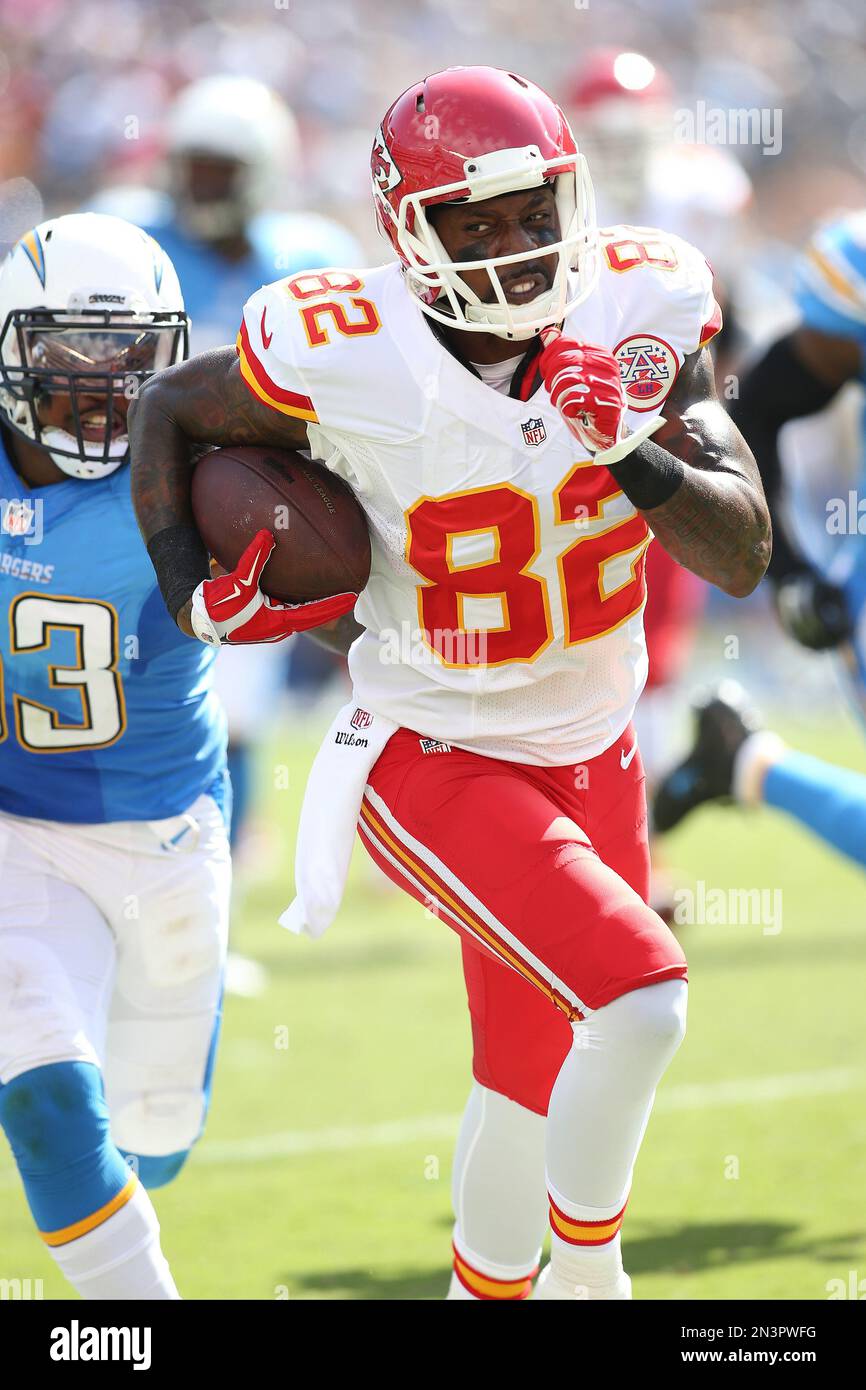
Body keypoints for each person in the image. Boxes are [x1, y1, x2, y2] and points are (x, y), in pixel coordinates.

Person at [129, 66, 770, 1301]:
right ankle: (593, 1282)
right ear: (408, 233)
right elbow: (168, 407)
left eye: (534, 213)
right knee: (637, 1003)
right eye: (472, 225)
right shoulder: (338, 346)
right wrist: (188, 592)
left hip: (597, 743)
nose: (518, 248)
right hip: (436, 746)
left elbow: (736, 550)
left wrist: (624, 442)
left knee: (521, 1085)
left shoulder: (643, 297)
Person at [0, 213, 230, 1299]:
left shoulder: (209, 477)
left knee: (157, 1139)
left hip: (165, 833)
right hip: (16, 833)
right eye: (70, 353)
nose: (100, 384)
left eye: (128, 356)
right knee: (47, 1105)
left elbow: (350, 607)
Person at [655, 211, 866, 868]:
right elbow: (760, 407)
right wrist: (789, 571)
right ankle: (748, 761)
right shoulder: (841, 313)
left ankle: (746, 760)